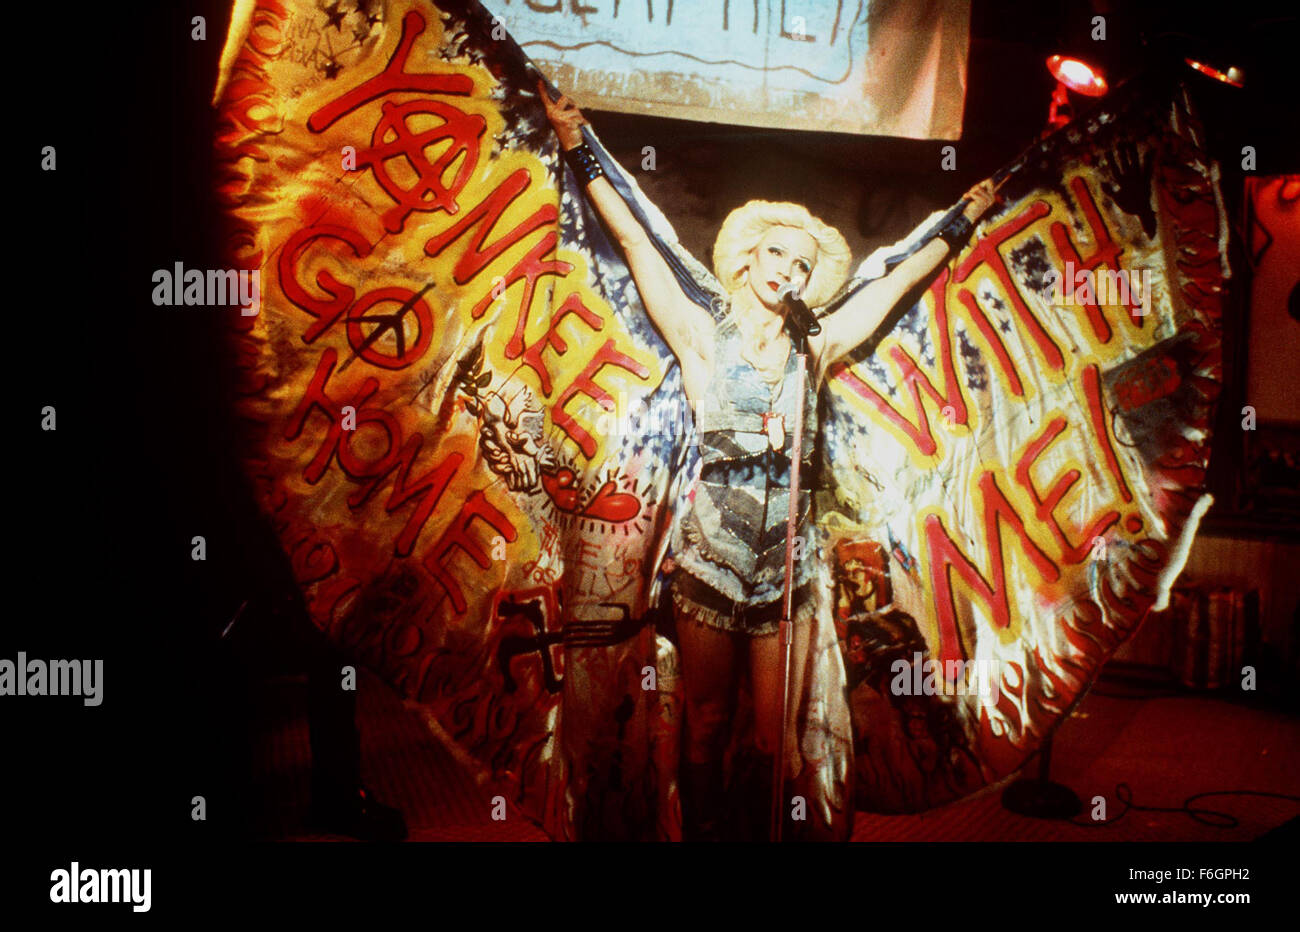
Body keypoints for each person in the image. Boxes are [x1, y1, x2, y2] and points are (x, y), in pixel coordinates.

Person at [539, 82, 996, 839]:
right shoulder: (697, 331)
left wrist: (965, 216)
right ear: (749, 260)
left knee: (775, 739)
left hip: (786, 566)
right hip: (710, 561)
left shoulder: (815, 345)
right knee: (708, 723)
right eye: (777, 253)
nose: (788, 268)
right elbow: (632, 239)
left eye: (803, 263)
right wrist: (574, 143)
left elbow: (899, 279)